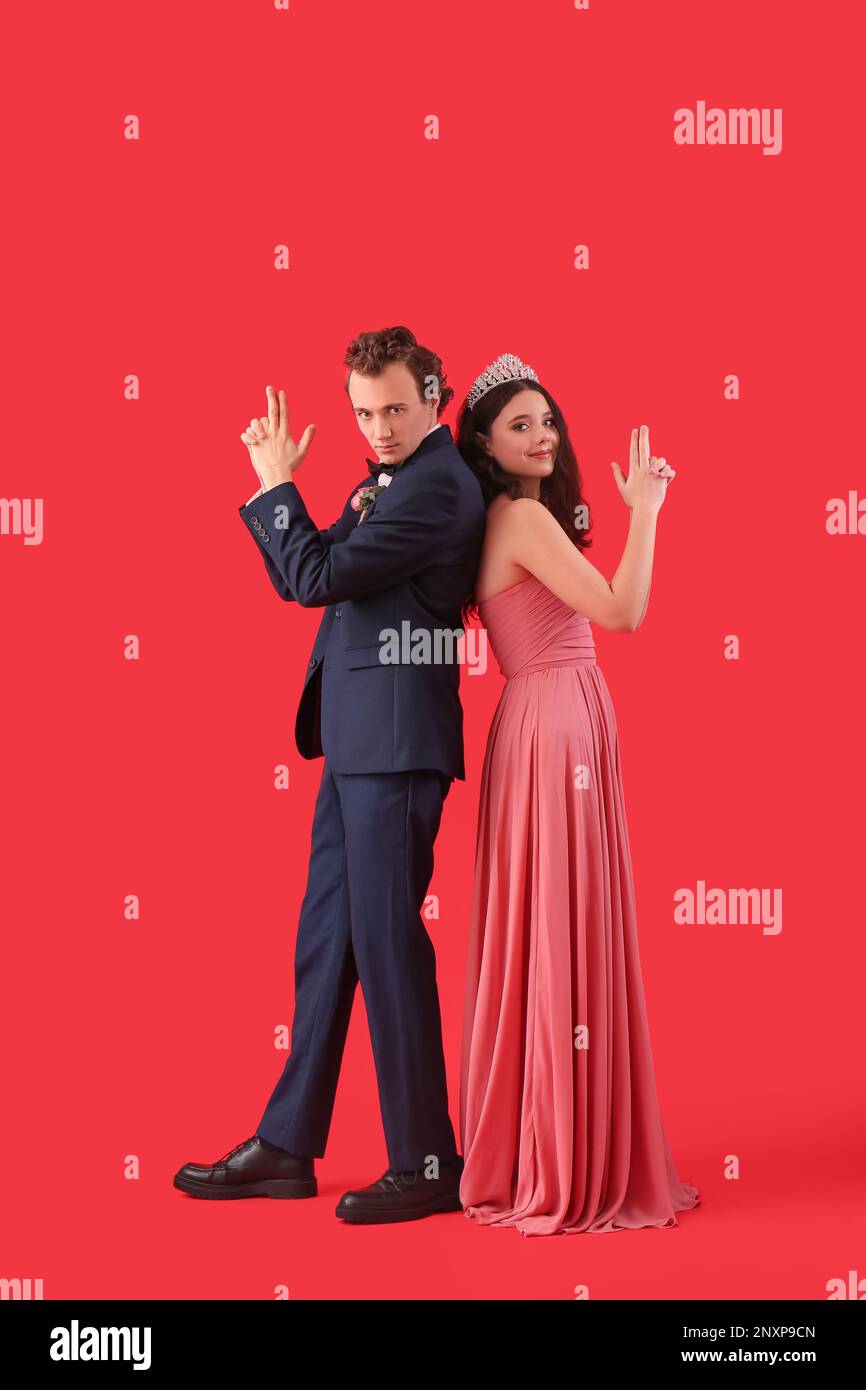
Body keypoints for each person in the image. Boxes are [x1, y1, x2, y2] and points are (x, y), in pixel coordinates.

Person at [173, 327, 486, 1223]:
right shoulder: (391, 478)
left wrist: (277, 486)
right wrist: (293, 501)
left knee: (387, 942)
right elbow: (315, 570)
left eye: (394, 408)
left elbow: (314, 576)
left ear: (435, 396)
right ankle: (286, 1145)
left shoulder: (436, 488)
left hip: (397, 743)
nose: (378, 428)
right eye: (363, 412)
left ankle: (428, 1159)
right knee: (328, 946)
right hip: (357, 741)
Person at [454, 352, 700, 1235]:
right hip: (559, 722)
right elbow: (623, 612)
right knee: (562, 923)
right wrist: (647, 516)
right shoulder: (520, 515)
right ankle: (568, 1155)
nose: (542, 435)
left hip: (539, 721)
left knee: (547, 923)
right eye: (519, 425)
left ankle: (541, 1140)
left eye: (547, 420)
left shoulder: (501, 518)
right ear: (484, 444)